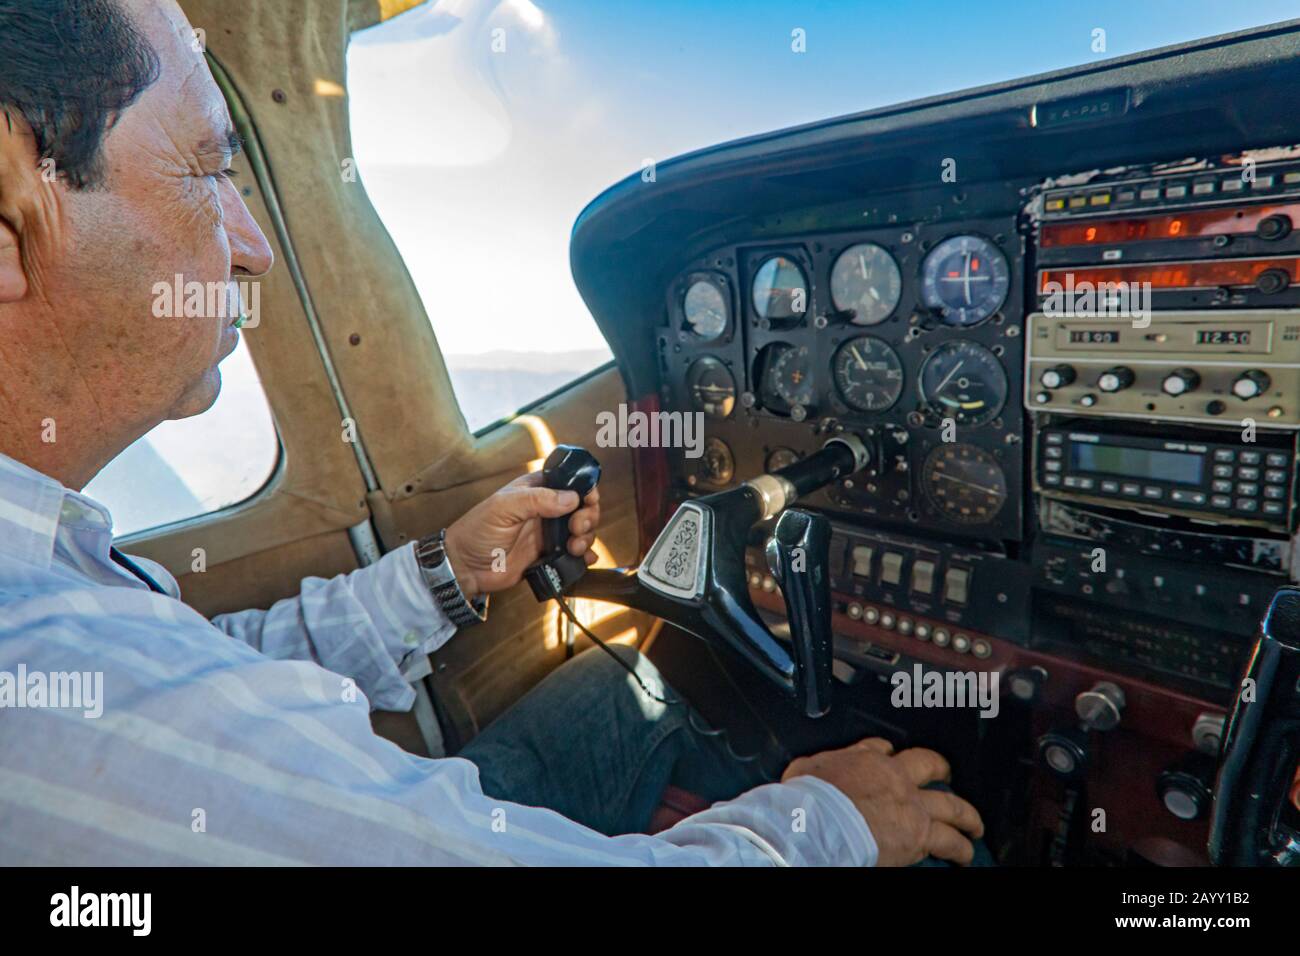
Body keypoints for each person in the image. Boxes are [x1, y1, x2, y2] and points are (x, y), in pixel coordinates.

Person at [0, 0, 984, 865]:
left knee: (630, 678)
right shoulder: (58, 690)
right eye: (206, 169)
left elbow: (226, 668)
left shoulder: (68, 598)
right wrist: (833, 821)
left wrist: (446, 570)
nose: (251, 246)